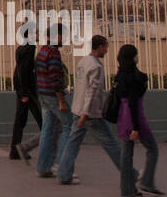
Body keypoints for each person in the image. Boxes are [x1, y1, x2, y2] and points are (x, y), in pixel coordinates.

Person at [56, 34, 134, 186]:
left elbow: (80, 87)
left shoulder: (83, 62)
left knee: (72, 142)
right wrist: (85, 114)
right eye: (105, 47)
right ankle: (130, 173)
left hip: (77, 110)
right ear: (100, 47)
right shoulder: (96, 67)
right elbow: (92, 92)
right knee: (111, 144)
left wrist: (80, 112)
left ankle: (64, 174)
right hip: (89, 114)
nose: (107, 50)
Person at [117, 43, 164, 197]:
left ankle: (127, 190)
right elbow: (133, 103)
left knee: (126, 155)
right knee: (152, 149)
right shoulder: (134, 78)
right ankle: (147, 183)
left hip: (123, 117)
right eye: (136, 54)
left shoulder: (121, 74)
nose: (138, 57)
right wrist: (136, 127)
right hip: (134, 116)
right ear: (132, 58)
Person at [33, 23, 71, 177]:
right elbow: (55, 79)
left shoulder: (42, 51)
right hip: (53, 96)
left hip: (42, 95)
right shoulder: (54, 53)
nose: (65, 39)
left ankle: (42, 168)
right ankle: (60, 164)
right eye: (64, 36)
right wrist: (61, 101)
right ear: (57, 36)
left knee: (47, 131)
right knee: (68, 126)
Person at [10, 42, 42, 161]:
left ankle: (14, 151)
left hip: (22, 90)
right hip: (28, 92)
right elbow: (23, 71)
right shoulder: (30, 48)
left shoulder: (21, 48)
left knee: (20, 121)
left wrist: (19, 90)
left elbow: (18, 70)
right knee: (43, 121)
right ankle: (48, 149)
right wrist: (24, 93)